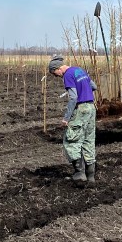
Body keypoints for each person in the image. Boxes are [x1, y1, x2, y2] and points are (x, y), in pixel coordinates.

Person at [48, 55, 96, 187]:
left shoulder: (67, 75)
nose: (56, 76)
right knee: (88, 139)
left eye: (54, 74)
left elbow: (73, 97)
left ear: (57, 69)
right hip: (91, 107)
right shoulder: (79, 70)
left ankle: (80, 174)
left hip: (80, 109)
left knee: (71, 140)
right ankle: (91, 175)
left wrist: (66, 118)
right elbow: (94, 86)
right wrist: (84, 91)